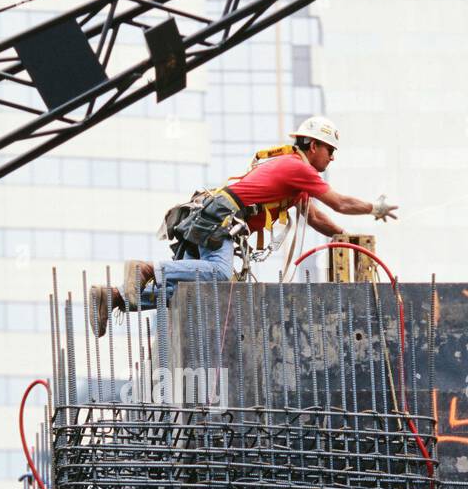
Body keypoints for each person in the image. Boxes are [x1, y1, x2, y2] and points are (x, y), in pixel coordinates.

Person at [88, 116, 397, 336]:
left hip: (212, 216)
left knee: (181, 291)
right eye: (330, 150)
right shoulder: (297, 168)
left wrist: (343, 238)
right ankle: (147, 269)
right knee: (220, 275)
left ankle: (114, 296)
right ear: (314, 145)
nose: (332, 158)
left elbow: (314, 217)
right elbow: (339, 203)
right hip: (220, 217)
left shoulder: (295, 177)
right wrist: (374, 208)